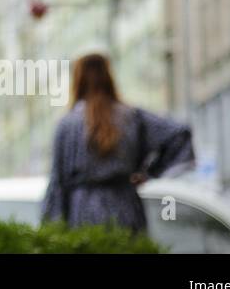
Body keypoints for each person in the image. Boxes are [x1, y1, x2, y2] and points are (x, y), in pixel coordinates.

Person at [42, 53, 194, 233]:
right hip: (125, 208)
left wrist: (51, 231)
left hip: (82, 213)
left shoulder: (67, 125)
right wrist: (150, 173)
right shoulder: (132, 117)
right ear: (108, 77)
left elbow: (57, 185)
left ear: (77, 80)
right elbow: (179, 135)